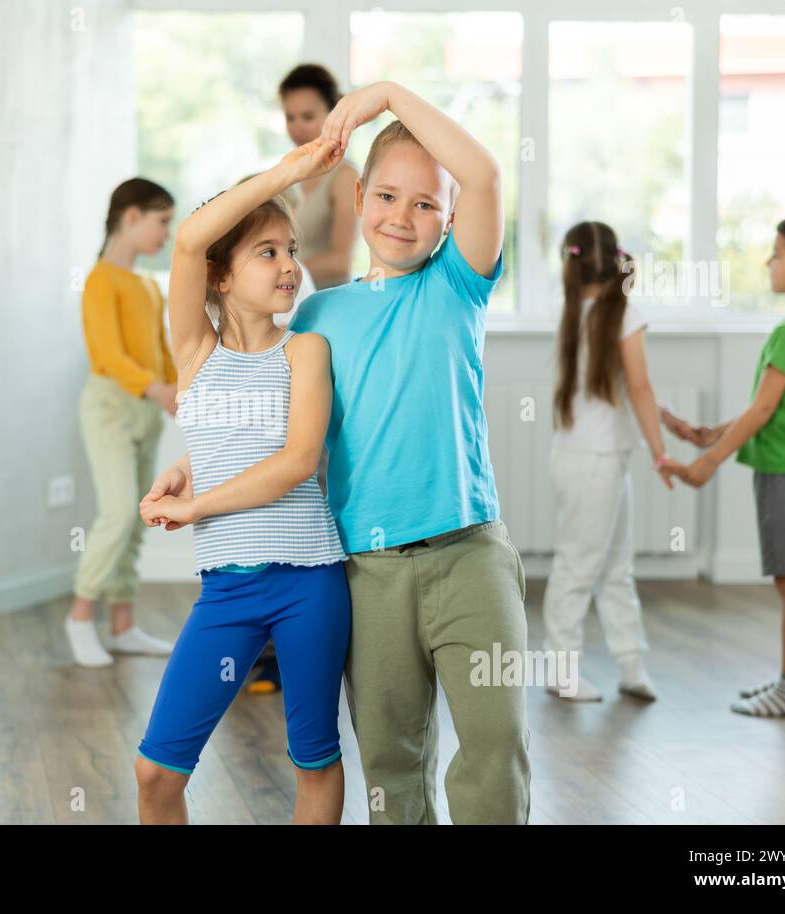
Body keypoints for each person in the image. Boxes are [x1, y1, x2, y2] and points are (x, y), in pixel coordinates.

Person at [147, 80, 528, 824]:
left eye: (426, 203)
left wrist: (387, 95)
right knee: (389, 757)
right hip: (365, 568)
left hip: (469, 552)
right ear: (357, 200)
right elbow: (279, 430)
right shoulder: (316, 320)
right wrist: (196, 463)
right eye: (386, 197)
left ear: (451, 218)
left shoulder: (458, 285)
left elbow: (483, 173)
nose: (403, 216)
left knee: (495, 742)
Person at [134, 137, 350, 824]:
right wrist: (289, 173)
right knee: (155, 772)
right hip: (226, 590)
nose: (290, 265)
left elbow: (294, 462)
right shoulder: (195, 353)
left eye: (291, 249)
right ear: (220, 277)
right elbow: (189, 242)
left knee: (313, 758)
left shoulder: (307, 349)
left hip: (309, 582)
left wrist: (198, 502)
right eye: (268, 251)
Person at [661, 214, 785, 719]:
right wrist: (711, 433)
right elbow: (770, 407)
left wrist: (707, 461)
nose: (769, 262)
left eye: (777, 253)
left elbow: (764, 410)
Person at [542, 221, 675, 703]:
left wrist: (661, 424)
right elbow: (638, 387)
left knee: (613, 565)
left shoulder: (574, 311)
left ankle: (630, 665)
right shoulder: (623, 314)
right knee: (582, 567)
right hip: (596, 461)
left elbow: (624, 390)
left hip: (587, 456)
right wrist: (661, 454)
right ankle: (561, 670)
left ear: (572, 262)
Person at [66, 179, 179, 667]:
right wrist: (157, 389)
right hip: (110, 406)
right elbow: (108, 354)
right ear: (130, 217)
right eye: (162, 222)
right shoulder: (99, 280)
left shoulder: (150, 285)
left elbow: (161, 352)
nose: (167, 235)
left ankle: (124, 624)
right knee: (115, 512)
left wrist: (178, 390)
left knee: (137, 516)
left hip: (146, 410)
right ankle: (79, 616)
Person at [279, 64, 360, 289]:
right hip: (290, 298)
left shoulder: (345, 176)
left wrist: (273, 270)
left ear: (332, 114)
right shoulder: (287, 172)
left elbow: (340, 262)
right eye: (290, 117)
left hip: (326, 302)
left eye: (307, 116)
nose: (297, 127)